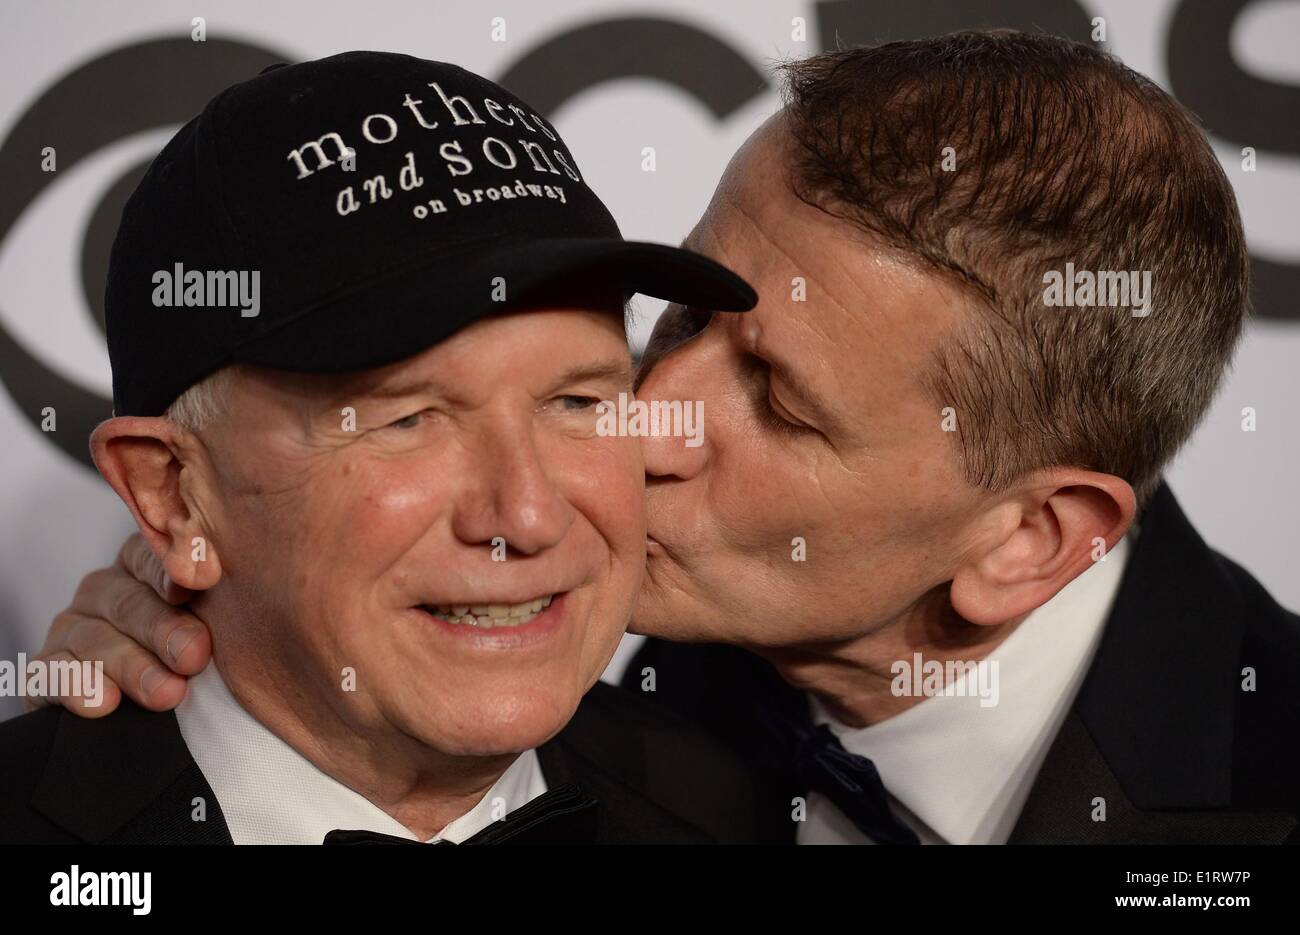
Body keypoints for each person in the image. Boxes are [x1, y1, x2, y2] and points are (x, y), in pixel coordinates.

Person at [30, 32, 1300, 845]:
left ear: (1026, 541)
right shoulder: (648, 704)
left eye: (781, 405)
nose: (645, 423)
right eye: (687, 314)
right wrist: (211, 601)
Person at [0, 50, 762, 845]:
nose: (527, 515)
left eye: (574, 401)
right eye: (408, 419)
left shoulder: (729, 803)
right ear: (174, 491)